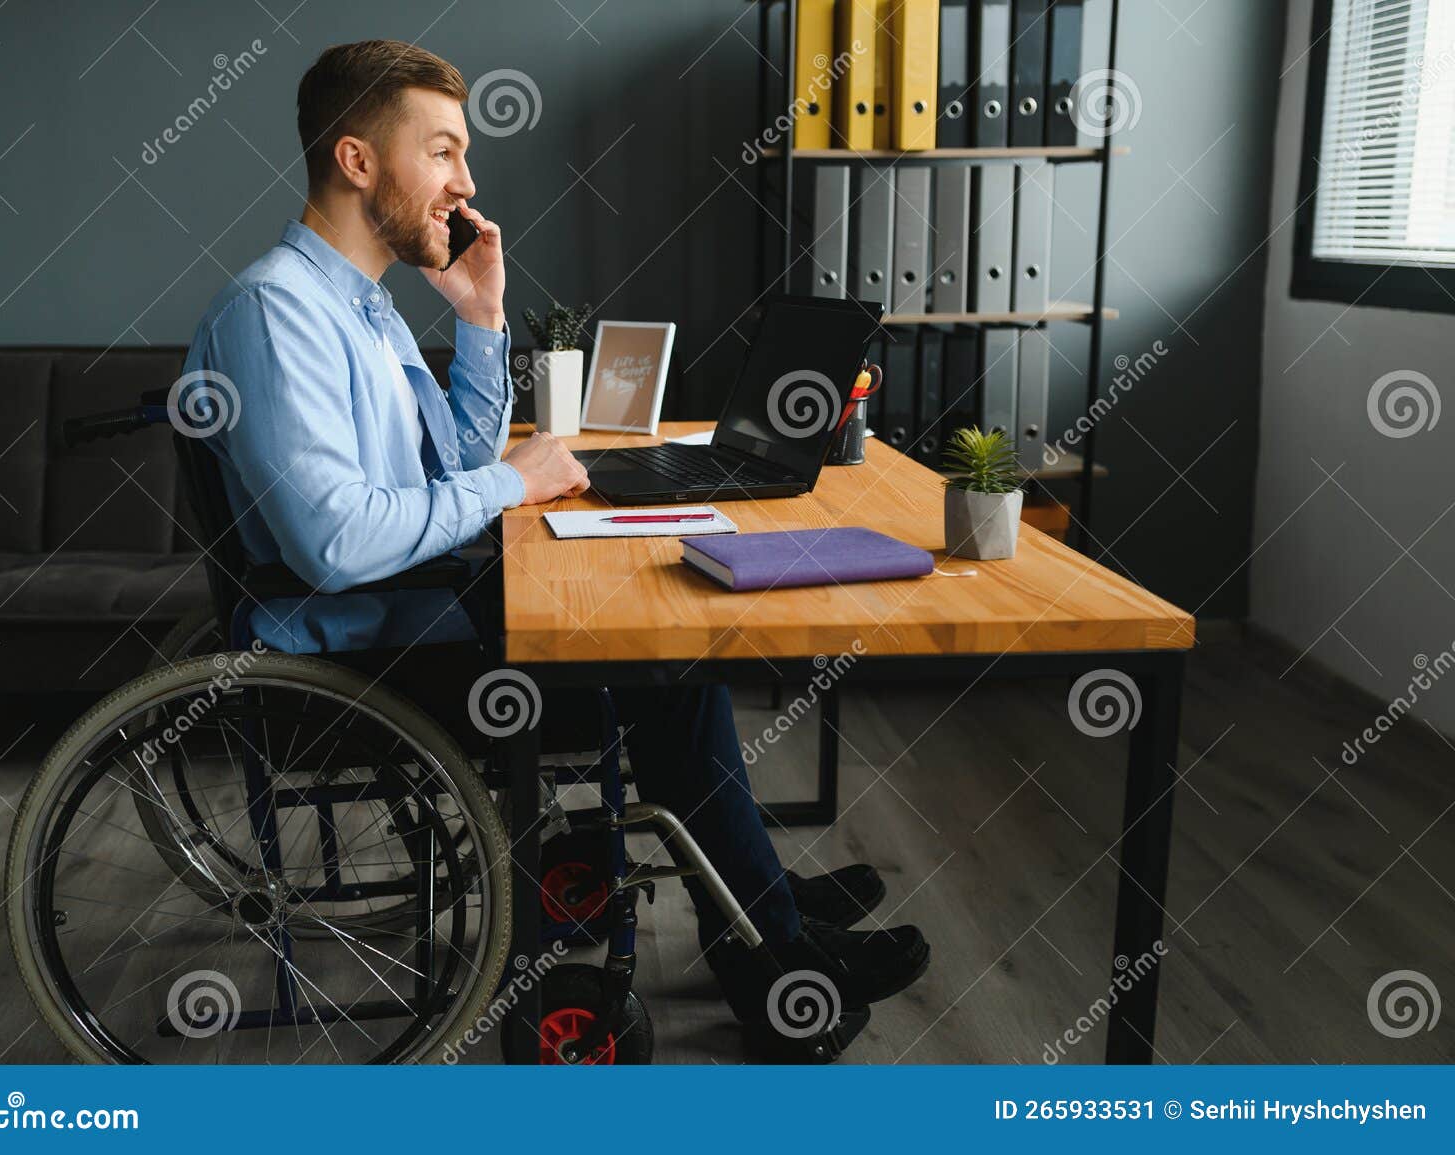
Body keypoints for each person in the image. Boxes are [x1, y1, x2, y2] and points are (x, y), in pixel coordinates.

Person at [180, 38, 930, 1053]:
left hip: (416, 609)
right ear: (358, 162)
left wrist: (481, 321)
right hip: (361, 651)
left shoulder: (360, 309)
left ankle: (759, 912)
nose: (466, 181)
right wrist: (514, 481)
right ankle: (766, 942)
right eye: (442, 151)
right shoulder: (279, 313)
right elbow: (334, 542)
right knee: (670, 662)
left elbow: (451, 467)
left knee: (674, 654)